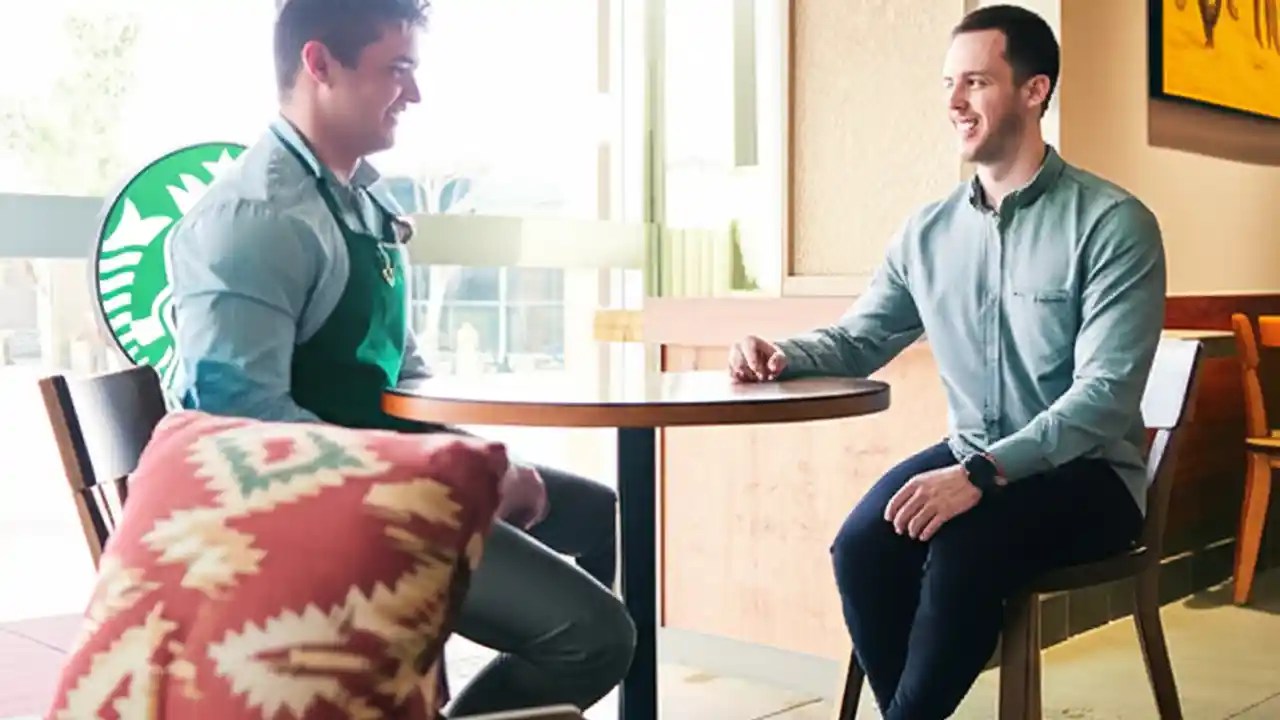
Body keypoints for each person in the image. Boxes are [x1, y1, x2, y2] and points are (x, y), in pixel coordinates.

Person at [166, 0, 634, 714]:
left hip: (386, 482)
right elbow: (246, 429)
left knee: (604, 519)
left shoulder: (357, 204)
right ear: (319, 64)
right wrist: (446, 480)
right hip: (315, 514)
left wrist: (477, 459)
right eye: (399, 70)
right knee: (594, 636)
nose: (414, 94)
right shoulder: (254, 220)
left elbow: (402, 378)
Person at [729, 6, 1165, 719]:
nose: (953, 103)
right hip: (973, 457)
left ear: (1034, 90)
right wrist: (783, 354)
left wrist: (980, 476)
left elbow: (1106, 397)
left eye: (975, 82)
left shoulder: (1113, 224)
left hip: (1086, 477)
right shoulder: (928, 232)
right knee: (862, 549)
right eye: (946, 85)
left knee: (962, 551)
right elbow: (861, 339)